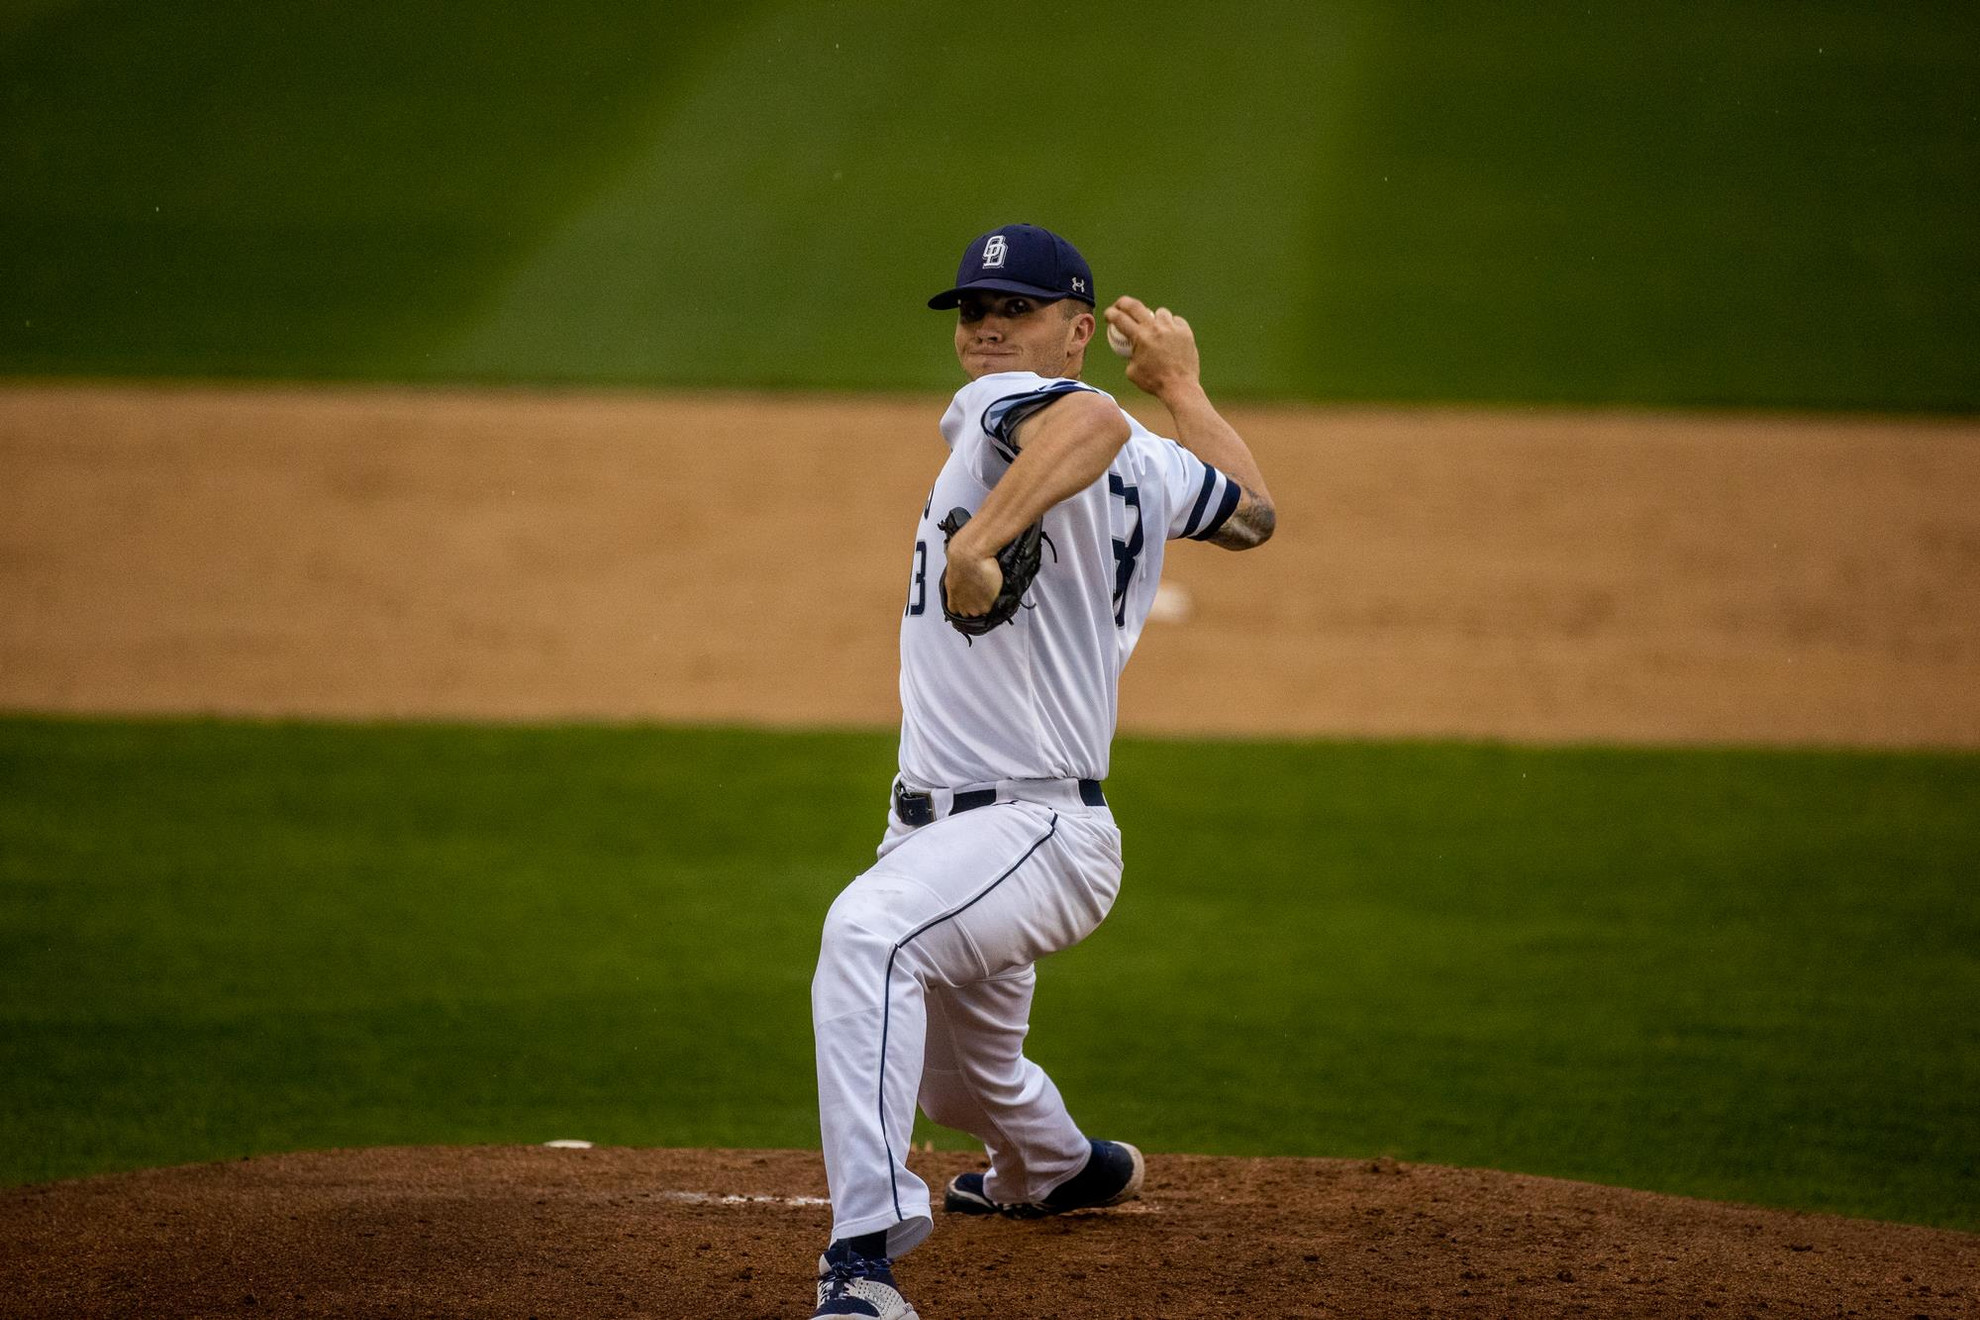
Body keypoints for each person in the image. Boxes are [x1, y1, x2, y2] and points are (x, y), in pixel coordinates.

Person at [808, 223, 1276, 1319]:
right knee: (953, 1079)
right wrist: (1188, 393)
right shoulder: (1144, 459)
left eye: (1013, 310)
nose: (984, 331)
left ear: (1075, 332)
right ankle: (1058, 1165)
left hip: (1028, 827)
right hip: (971, 833)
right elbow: (1251, 513)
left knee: (866, 939)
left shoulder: (1010, 408)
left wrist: (983, 541)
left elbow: (1095, 417)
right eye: (973, 310)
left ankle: (862, 1266)